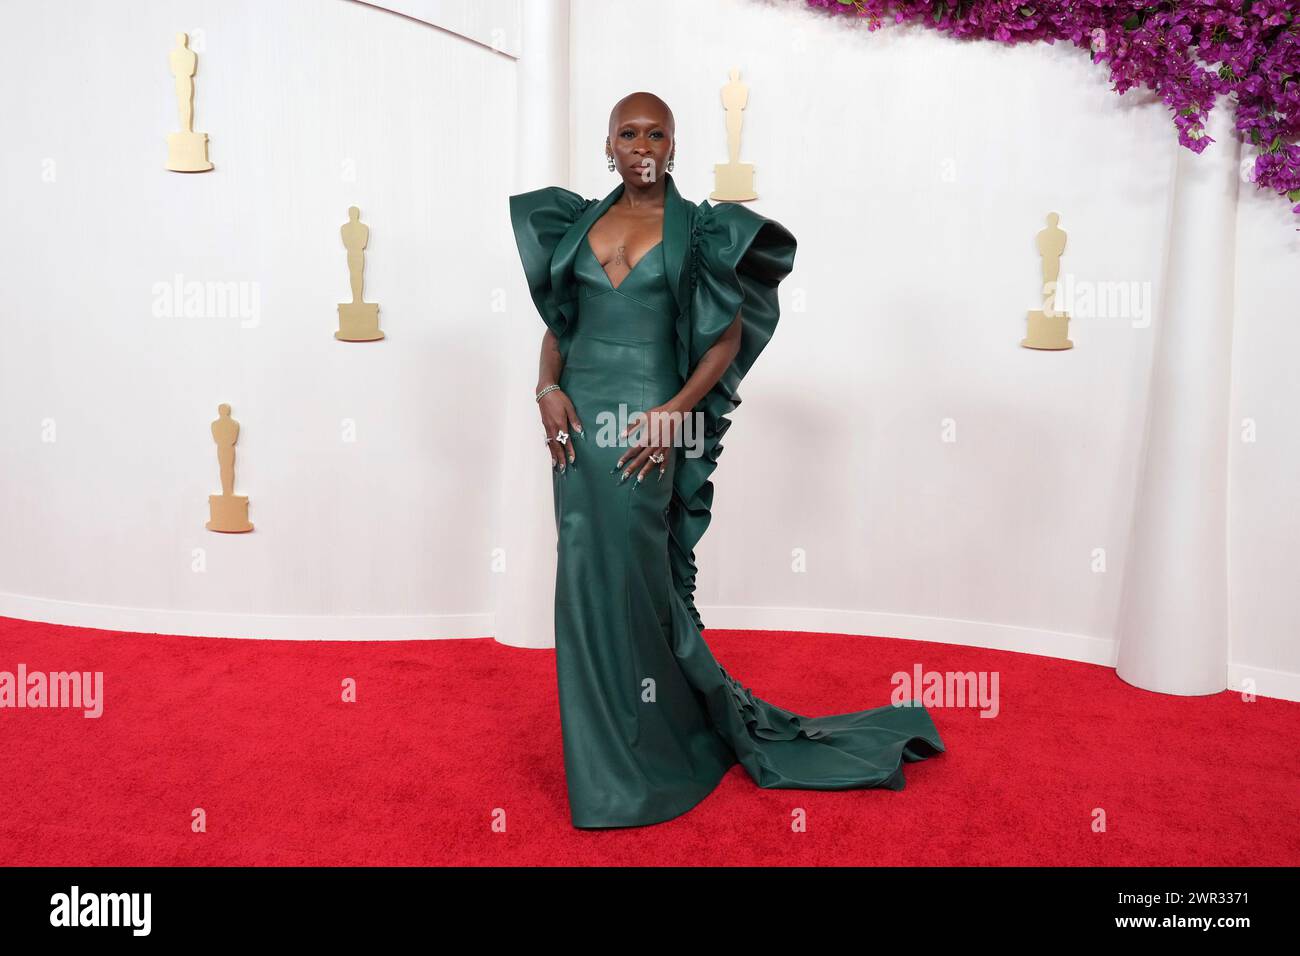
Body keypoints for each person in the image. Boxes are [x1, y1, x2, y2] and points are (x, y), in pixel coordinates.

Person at [508, 92, 945, 829]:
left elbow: (723, 343)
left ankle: (654, 746)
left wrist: (674, 415)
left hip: (652, 420)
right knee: (583, 575)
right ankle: (608, 756)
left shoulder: (701, 232)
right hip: (578, 422)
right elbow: (561, 324)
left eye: (657, 133)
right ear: (607, 143)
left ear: (674, 145)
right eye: (628, 132)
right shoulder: (578, 221)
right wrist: (545, 386)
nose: (641, 144)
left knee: (641, 582)